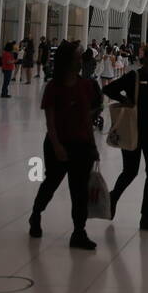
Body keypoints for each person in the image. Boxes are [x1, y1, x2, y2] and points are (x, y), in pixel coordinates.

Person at [28, 42, 99, 250]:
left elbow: (87, 120)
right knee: (51, 183)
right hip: (58, 144)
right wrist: (57, 146)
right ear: (68, 61)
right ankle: (36, 214)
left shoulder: (86, 85)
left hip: (82, 146)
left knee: (79, 192)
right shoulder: (54, 87)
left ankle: (79, 231)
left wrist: (93, 146)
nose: (81, 60)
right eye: (78, 57)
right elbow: (50, 121)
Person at [104, 42, 148, 232]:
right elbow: (109, 89)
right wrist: (125, 100)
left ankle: (146, 217)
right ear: (147, 57)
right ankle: (113, 197)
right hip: (132, 128)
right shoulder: (134, 76)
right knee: (131, 171)